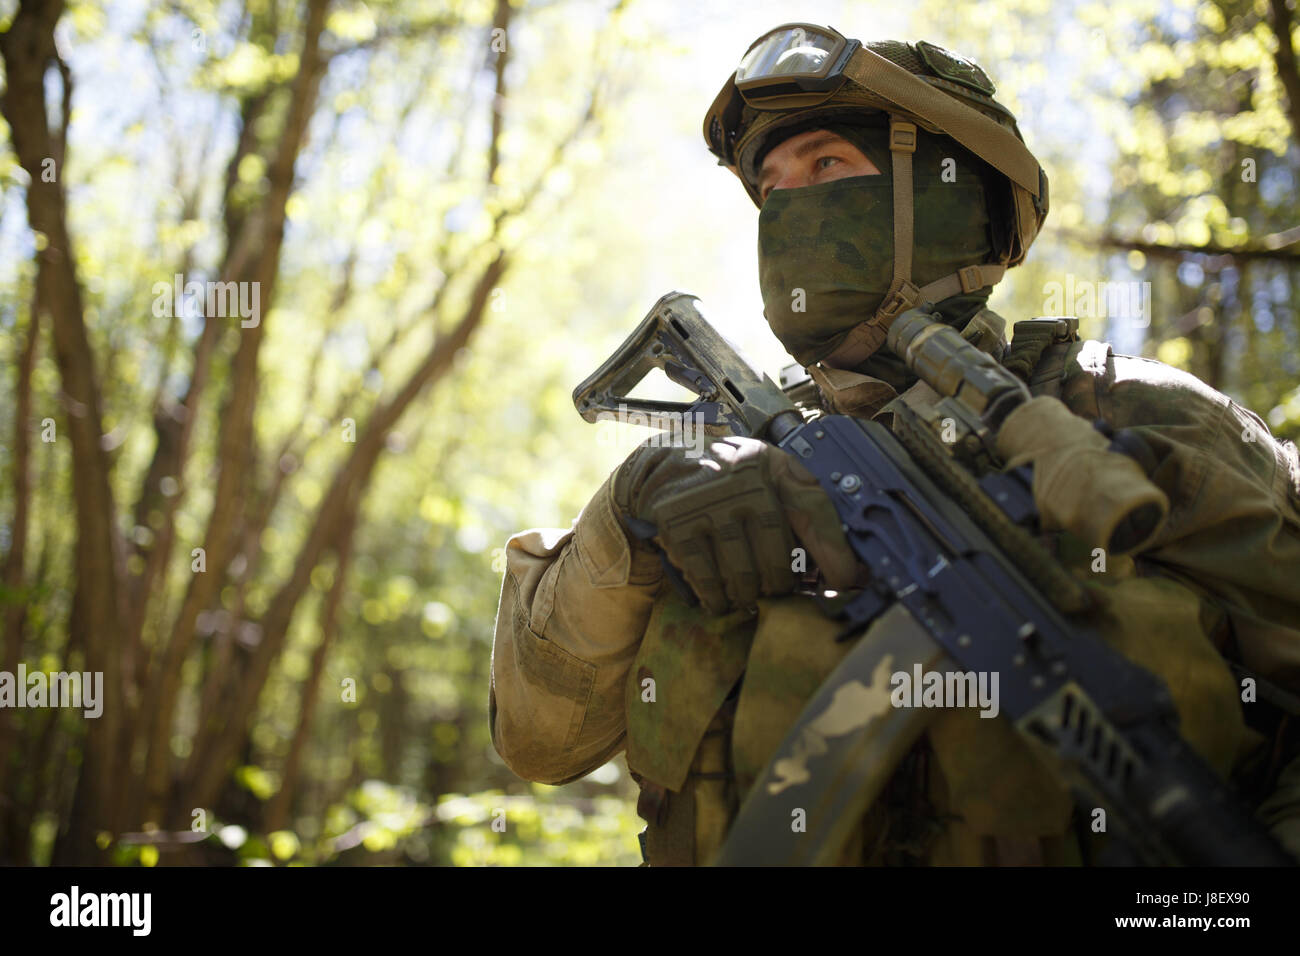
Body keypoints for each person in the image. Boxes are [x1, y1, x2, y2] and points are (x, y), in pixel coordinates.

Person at [489, 24, 1300, 865]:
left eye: (826, 165)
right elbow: (538, 743)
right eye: (771, 188)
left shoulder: (1141, 419)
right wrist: (628, 514)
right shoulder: (712, 467)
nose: (789, 208)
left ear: (954, 197)